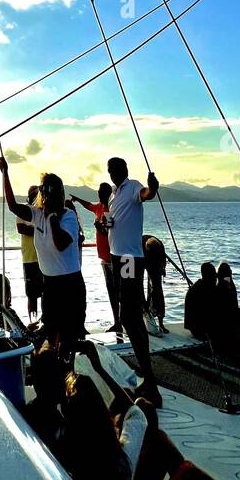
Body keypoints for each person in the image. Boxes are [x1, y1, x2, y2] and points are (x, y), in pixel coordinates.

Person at [0, 158, 86, 357]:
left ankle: (72, 379)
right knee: (51, 336)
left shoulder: (68, 217)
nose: (43, 197)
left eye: (46, 192)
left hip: (70, 286)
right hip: (51, 285)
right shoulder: (37, 214)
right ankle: (56, 378)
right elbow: (13, 206)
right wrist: (5, 173)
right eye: (42, 191)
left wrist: (53, 219)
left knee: (69, 340)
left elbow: (61, 244)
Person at [105, 157, 161, 404]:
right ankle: (148, 381)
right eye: (110, 170)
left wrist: (153, 187)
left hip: (129, 259)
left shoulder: (133, 187)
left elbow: (147, 194)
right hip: (118, 258)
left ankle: (150, 382)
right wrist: (105, 224)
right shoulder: (113, 195)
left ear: (124, 171)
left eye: (116, 169)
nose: (113, 173)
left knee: (130, 316)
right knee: (128, 314)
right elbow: (116, 222)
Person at [69, 183, 122, 339]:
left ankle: (123, 320)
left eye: (101, 192)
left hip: (114, 257)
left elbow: (109, 232)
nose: (99, 194)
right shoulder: (98, 207)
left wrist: (100, 228)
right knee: (112, 291)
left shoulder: (110, 210)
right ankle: (117, 321)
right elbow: (89, 206)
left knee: (119, 291)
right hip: (104, 258)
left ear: (107, 194)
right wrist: (77, 199)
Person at [17, 185, 43, 323]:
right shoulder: (23, 211)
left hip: (44, 259)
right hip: (29, 259)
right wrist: (38, 229)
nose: (35, 196)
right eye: (33, 193)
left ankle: (46, 322)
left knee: (47, 293)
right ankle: (33, 323)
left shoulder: (42, 211)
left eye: (37, 193)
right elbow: (21, 229)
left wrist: (35, 229)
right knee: (32, 295)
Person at [214, 261, 240, 345]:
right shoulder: (222, 287)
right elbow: (228, 307)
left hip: (229, 314)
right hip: (224, 318)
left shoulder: (228, 285)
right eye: (229, 272)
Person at [183, 261, 217, 340]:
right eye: (214, 276)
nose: (215, 279)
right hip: (199, 329)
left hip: (196, 327)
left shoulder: (200, 286)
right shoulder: (203, 290)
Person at [143, 235, 167, 335]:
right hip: (141, 257)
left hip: (155, 260)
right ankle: (145, 315)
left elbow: (163, 262)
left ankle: (161, 323)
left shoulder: (160, 248)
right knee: (139, 291)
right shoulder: (141, 247)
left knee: (157, 290)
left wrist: (162, 269)